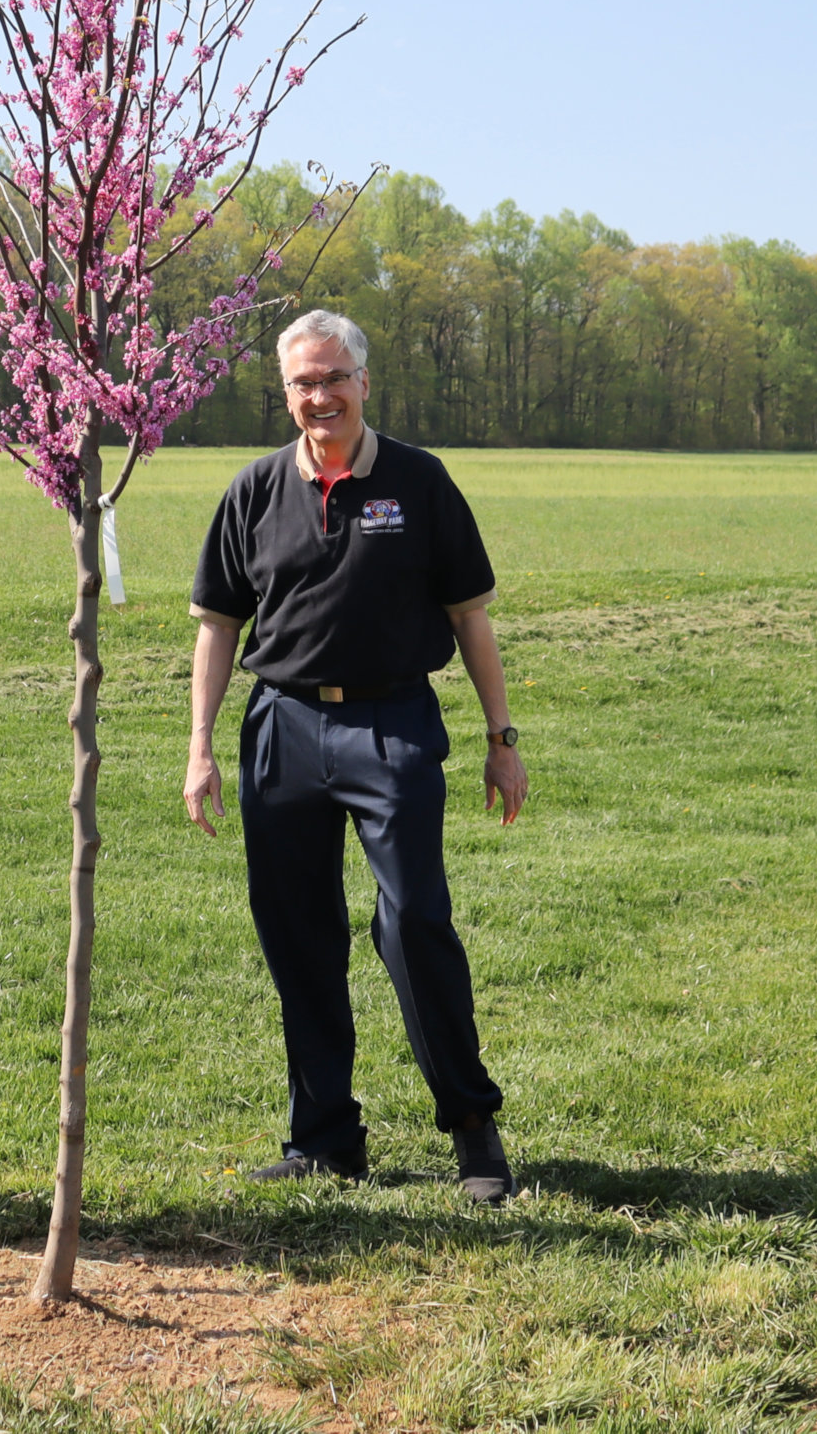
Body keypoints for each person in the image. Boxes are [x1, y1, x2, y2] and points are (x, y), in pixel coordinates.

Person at [182, 309, 530, 1202]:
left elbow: (470, 617)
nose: (320, 395)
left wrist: (501, 740)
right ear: (285, 390)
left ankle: (472, 1127)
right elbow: (219, 628)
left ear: (364, 382)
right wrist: (202, 748)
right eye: (304, 382)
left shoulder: (419, 481)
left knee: (413, 920)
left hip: (393, 726)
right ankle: (325, 1136)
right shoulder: (254, 490)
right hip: (283, 729)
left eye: (335, 377)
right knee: (298, 936)